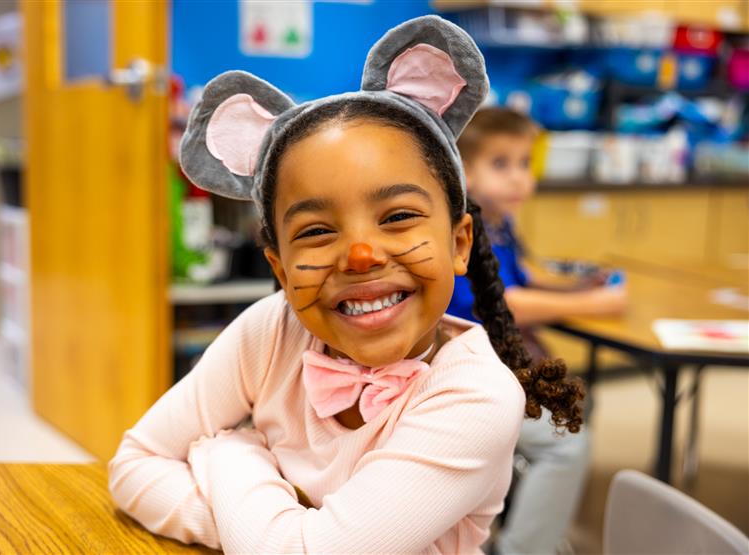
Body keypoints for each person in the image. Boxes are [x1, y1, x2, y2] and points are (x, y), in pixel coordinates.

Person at [108, 17, 583, 554]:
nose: (361, 256)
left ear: (458, 243)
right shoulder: (271, 331)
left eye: (397, 216)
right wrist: (263, 532)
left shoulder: (476, 396)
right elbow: (134, 465)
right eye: (316, 231)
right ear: (281, 270)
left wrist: (234, 454)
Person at [447, 107, 627, 555]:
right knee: (568, 441)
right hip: (466, 372)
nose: (519, 179)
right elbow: (504, 303)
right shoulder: (461, 229)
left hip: (501, 363)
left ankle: (525, 512)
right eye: (501, 164)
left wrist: (575, 287)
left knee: (575, 399)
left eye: (525, 164)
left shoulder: (499, 223)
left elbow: (521, 276)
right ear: (463, 170)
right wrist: (592, 304)